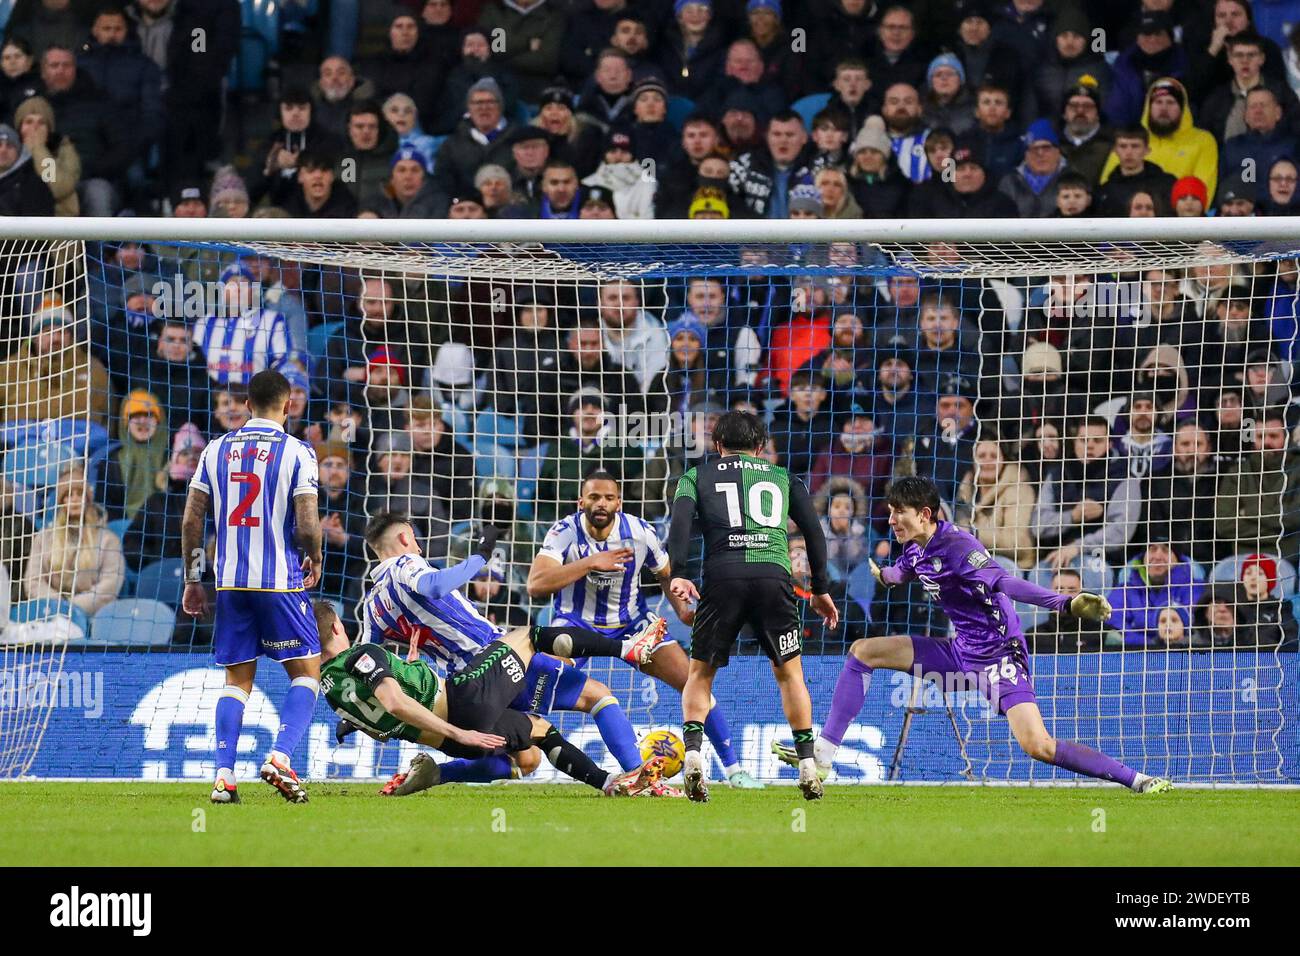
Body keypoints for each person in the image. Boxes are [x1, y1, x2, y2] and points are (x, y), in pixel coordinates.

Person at [778, 475, 1173, 794]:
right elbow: (903, 571)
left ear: (926, 513)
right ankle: (824, 754)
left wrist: (1064, 604)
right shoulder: (915, 548)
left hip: (999, 657)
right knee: (863, 651)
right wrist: (886, 575)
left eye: (900, 512)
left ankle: (1136, 780)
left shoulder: (958, 547)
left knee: (1038, 746)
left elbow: (1004, 582)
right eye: (891, 511)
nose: (893, 519)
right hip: (958, 652)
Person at [527, 470, 762, 790]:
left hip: (634, 625)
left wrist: (680, 608)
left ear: (618, 503)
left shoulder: (639, 532)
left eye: (609, 498)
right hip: (574, 625)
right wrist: (589, 563)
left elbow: (665, 572)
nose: (601, 504)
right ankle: (511, 757)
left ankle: (734, 769)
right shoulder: (564, 532)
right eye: (594, 497)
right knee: (536, 686)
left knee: (693, 680)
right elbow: (536, 585)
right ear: (581, 501)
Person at [315, 600, 670, 798]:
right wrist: (460, 731)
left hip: (456, 745)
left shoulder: (331, 692)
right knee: (529, 636)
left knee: (541, 731)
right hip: (464, 706)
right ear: (336, 628)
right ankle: (628, 648)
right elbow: (394, 703)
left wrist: (411, 674)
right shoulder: (362, 654)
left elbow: (383, 724)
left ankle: (608, 783)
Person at [667, 411, 839, 801]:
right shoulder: (783, 478)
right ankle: (808, 765)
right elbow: (814, 532)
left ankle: (693, 755)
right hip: (773, 578)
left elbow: (678, 526)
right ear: (761, 447)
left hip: (722, 578)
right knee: (790, 674)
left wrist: (678, 571)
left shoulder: (695, 477)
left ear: (717, 446)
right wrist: (819, 588)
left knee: (700, 674)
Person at [180, 369, 324, 805]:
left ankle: (224, 777)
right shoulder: (299, 452)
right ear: (289, 405)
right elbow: (307, 523)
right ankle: (280, 756)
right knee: (306, 672)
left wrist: (193, 577)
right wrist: (314, 556)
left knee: (237, 680)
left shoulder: (216, 449)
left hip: (229, 583)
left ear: (246, 404)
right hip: (278, 581)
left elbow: (190, 520)